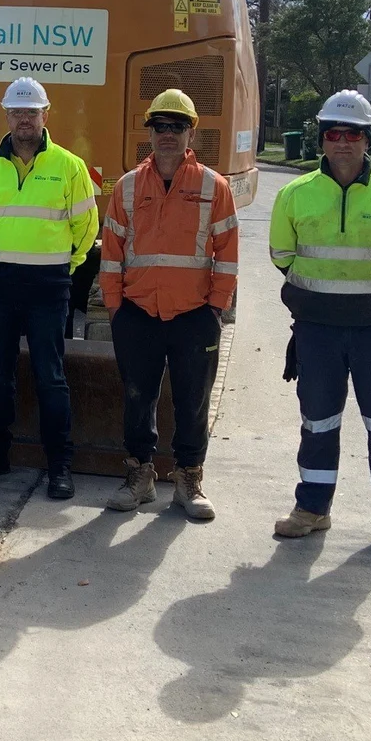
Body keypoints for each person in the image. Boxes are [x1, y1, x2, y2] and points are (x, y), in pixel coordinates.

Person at [268, 89, 371, 557]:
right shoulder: (295, 195)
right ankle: (312, 509)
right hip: (317, 330)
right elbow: (282, 256)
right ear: (322, 138)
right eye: (334, 133)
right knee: (317, 423)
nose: (343, 142)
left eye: (353, 133)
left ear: (367, 139)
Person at [99, 88, 238, 519]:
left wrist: (216, 307)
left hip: (194, 315)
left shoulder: (214, 187)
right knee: (138, 396)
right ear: (150, 133)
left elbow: (227, 252)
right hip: (137, 313)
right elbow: (111, 251)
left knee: (192, 399)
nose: (167, 135)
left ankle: (188, 480)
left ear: (190, 132)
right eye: (160, 127)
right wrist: (115, 307)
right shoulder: (126, 187)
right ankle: (139, 476)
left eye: (176, 127)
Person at [0, 77, 98, 500]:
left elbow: (86, 227)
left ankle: (59, 465)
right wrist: (7, 258)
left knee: (51, 378)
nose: (24, 119)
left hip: (48, 286)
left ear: (46, 115)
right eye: (17, 112)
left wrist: (62, 269)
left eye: (32, 111)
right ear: (6, 115)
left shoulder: (69, 166)